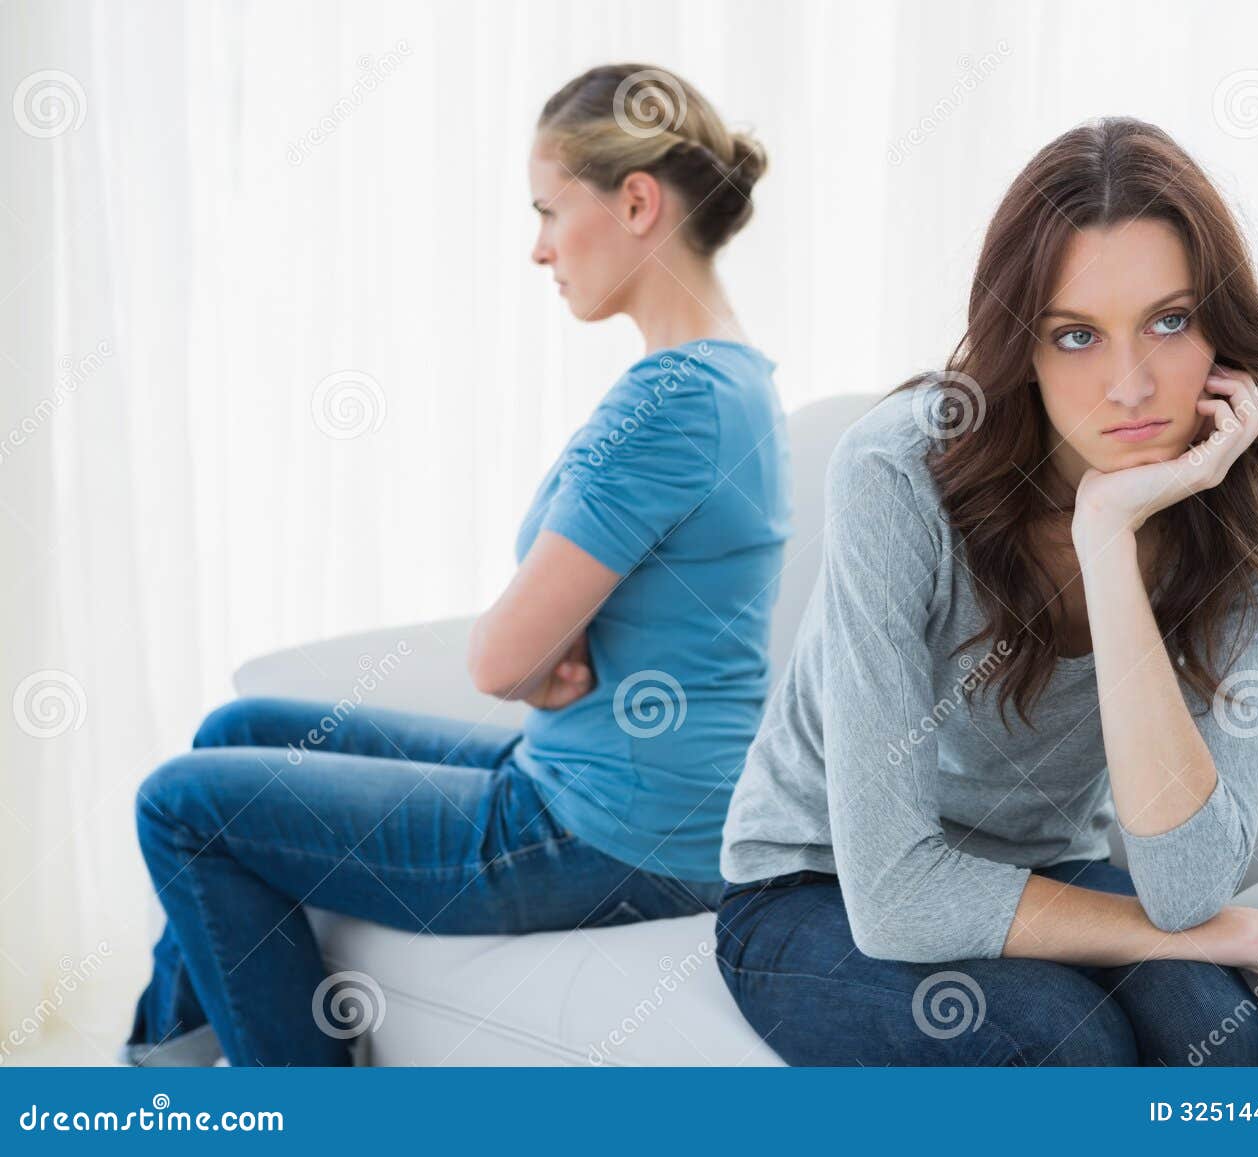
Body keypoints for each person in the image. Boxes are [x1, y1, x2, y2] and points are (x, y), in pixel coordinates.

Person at [715, 117, 1258, 1067]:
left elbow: (1184, 888)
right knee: (1060, 1046)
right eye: (1077, 335)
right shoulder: (897, 471)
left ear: (1223, 331)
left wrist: (1107, 538)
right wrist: (1244, 936)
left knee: (1220, 1043)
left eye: (1169, 321)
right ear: (1023, 348)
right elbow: (895, 896)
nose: (1130, 385)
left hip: (1047, 865)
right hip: (818, 883)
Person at [124, 63, 789, 1066]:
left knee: (178, 804)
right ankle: (167, 1068)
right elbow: (544, 641)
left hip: (612, 830)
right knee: (236, 729)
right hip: (637, 795)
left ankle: (283, 1108)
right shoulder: (735, 378)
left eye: (549, 210)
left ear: (636, 203)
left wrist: (531, 655)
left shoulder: (670, 404)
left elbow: (498, 659)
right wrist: (537, 652)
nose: (539, 247)